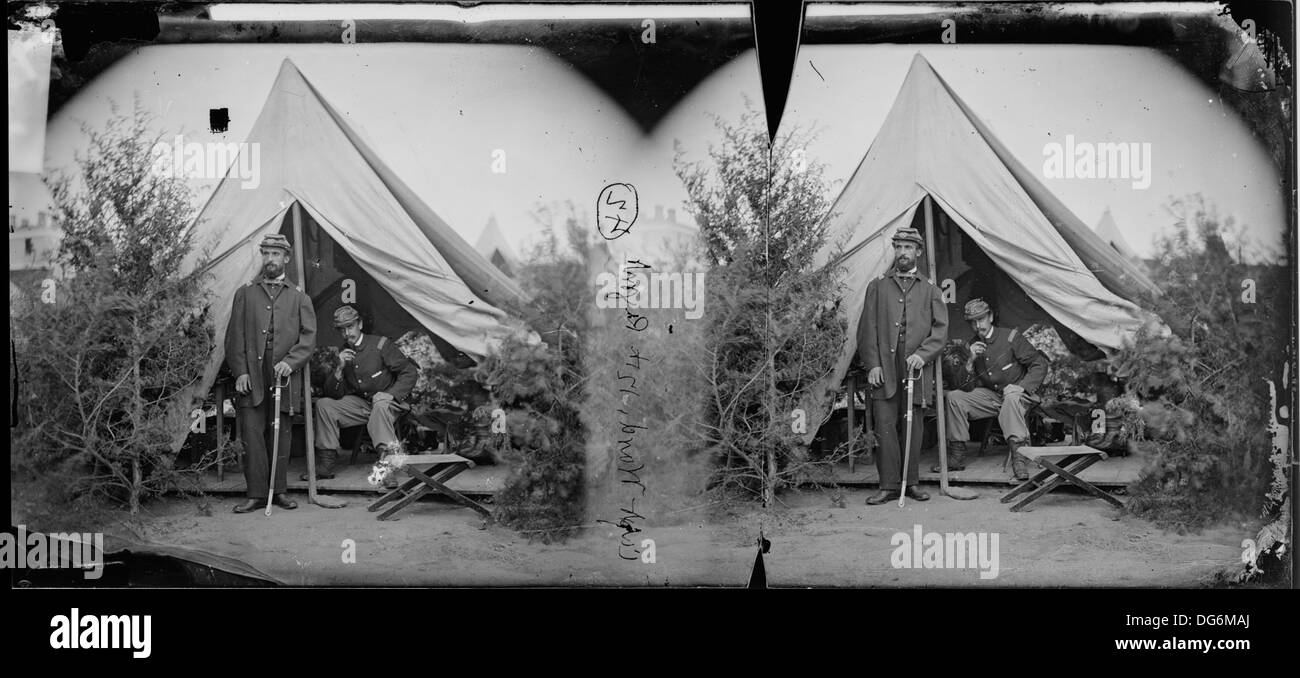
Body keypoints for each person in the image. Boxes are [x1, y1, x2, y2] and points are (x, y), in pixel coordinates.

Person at [226, 234, 317, 514]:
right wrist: (240, 371)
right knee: (252, 432)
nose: (270, 260)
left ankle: (278, 492)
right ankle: (255, 494)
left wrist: (292, 362)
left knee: (282, 432)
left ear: (286, 259)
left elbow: (309, 337)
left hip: (284, 374)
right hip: (253, 373)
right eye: (266, 254)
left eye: (276, 254)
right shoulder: (245, 293)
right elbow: (234, 337)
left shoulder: (299, 297)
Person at [859, 227, 948, 505]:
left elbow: (941, 329)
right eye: (898, 248)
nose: (903, 253)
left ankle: (911, 483)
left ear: (918, 252)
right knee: (885, 423)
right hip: (885, 366)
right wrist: (873, 364)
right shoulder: (877, 286)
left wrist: (924, 354)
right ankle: (887, 485)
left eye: (908, 248)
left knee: (914, 425)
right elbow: (867, 330)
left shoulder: (931, 290)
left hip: (916, 367)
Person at [307, 305, 418, 486]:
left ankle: (386, 467)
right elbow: (333, 394)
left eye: (350, 326)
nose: (346, 333)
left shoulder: (380, 344)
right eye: (342, 329)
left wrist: (390, 395)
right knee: (324, 405)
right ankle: (326, 464)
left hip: (390, 403)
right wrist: (339, 368)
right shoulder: (342, 353)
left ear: (360, 323)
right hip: (364, 404)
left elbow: (410, 373)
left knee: (380, 405)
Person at [939, 298, 1047, 480]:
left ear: (990, 316)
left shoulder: (1010, 337)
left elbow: (1039, 364)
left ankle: (1019, 459)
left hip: (1019, 396)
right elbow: (965, 386)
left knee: (1011, 397)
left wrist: (1021, 388)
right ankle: (957, 456)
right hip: (994, 397)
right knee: (954, 397)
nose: (977, 325)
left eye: (980, 319)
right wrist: (970, 359)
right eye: (972, 322)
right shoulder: (971, 345)